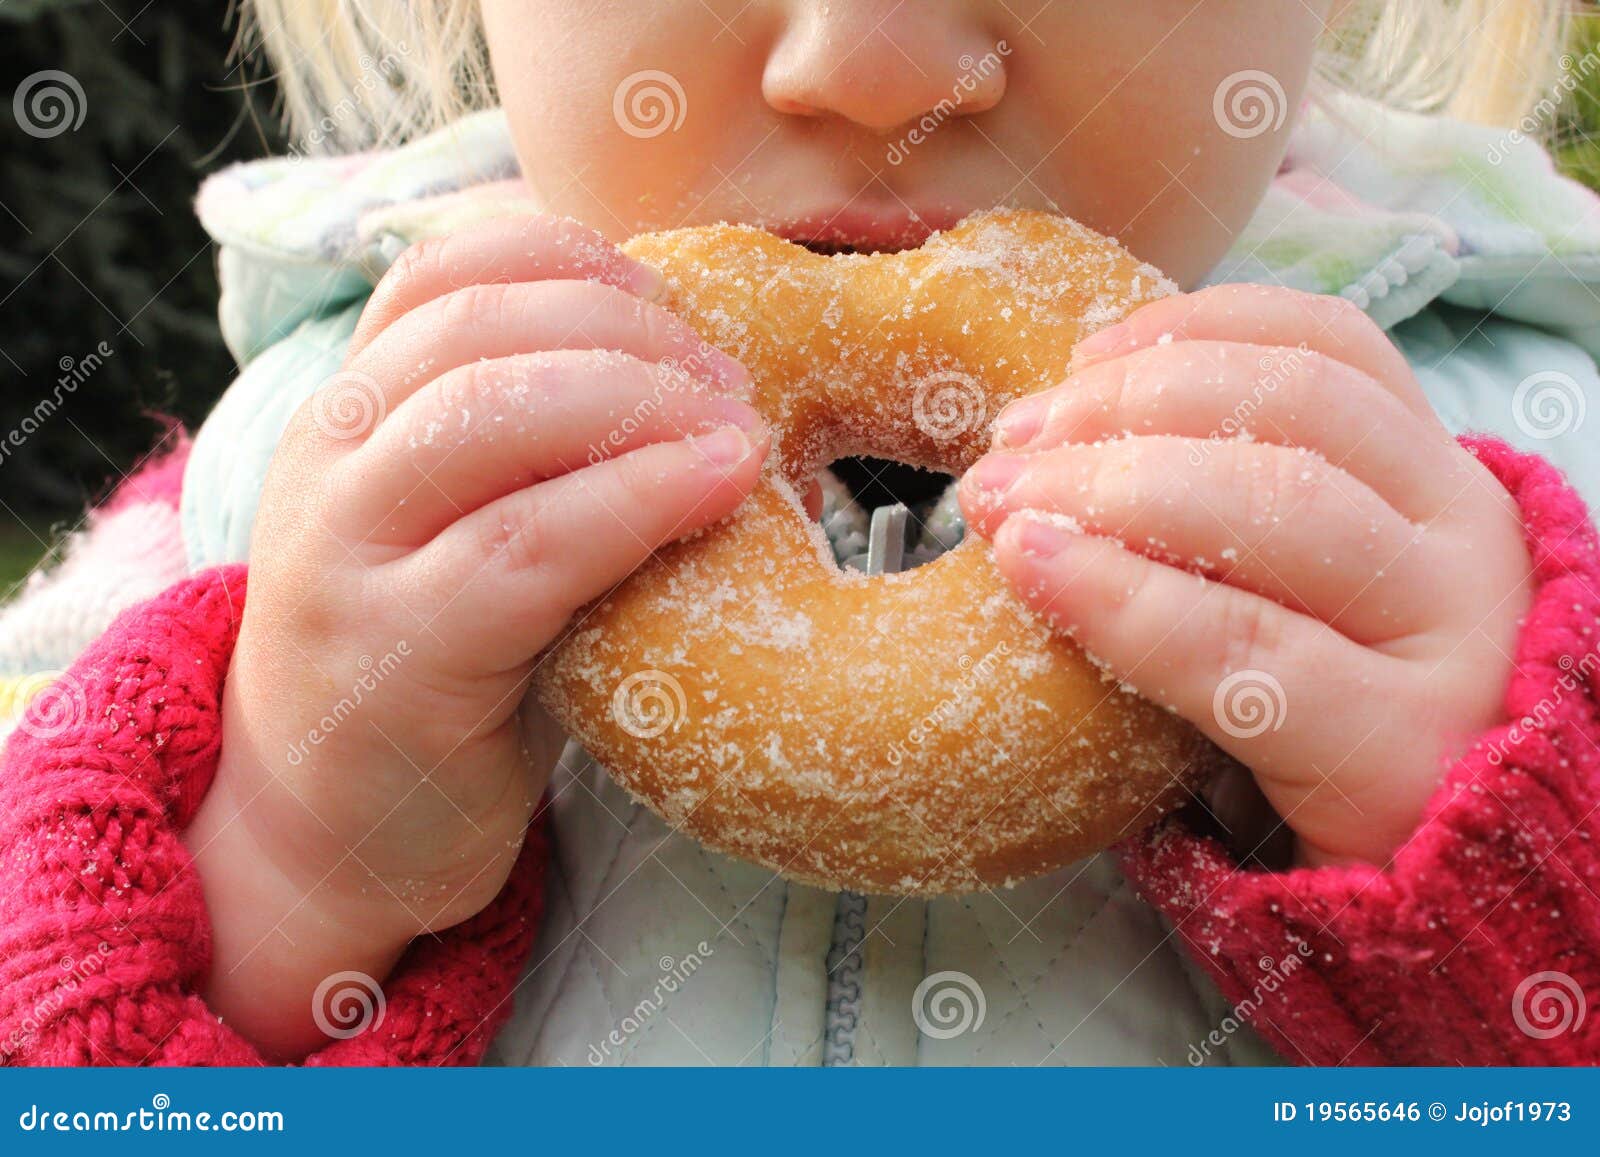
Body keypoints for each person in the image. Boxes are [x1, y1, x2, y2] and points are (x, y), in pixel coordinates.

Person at [2, 0, 1596, 1066]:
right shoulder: (299, 482)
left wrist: (1517, 864)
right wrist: (284, 859)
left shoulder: (1536, 495)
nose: (872, 63)